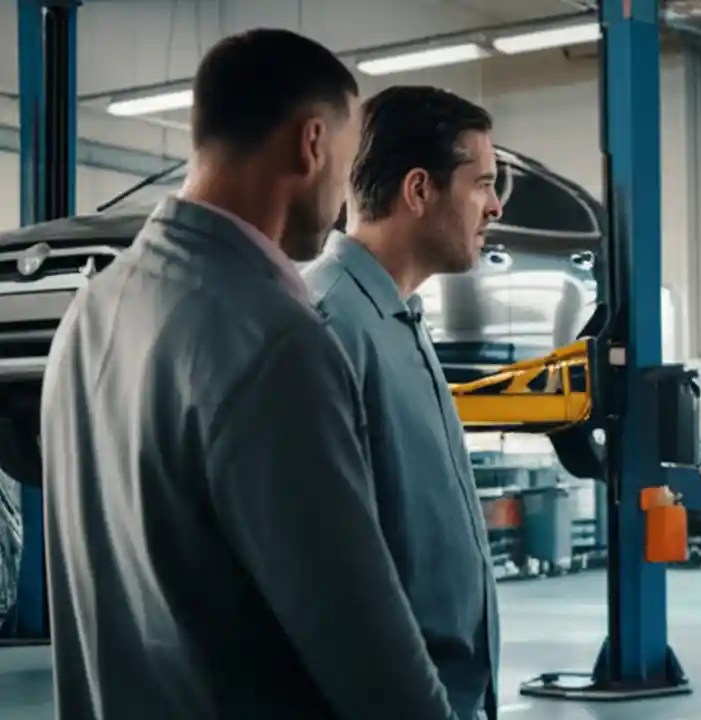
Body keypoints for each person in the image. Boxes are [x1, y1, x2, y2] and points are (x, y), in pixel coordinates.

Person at [40, 29, 456, 719]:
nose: (341, 201)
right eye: (346, 166)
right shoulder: (273, 340)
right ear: (312, 143)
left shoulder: (93, 309)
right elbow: (364, 646)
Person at [301, 85, 503, 720]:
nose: (495, 207)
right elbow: (321, 578)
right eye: (483, 184)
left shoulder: (398, 319)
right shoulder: (327, 328)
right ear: (419, 190)